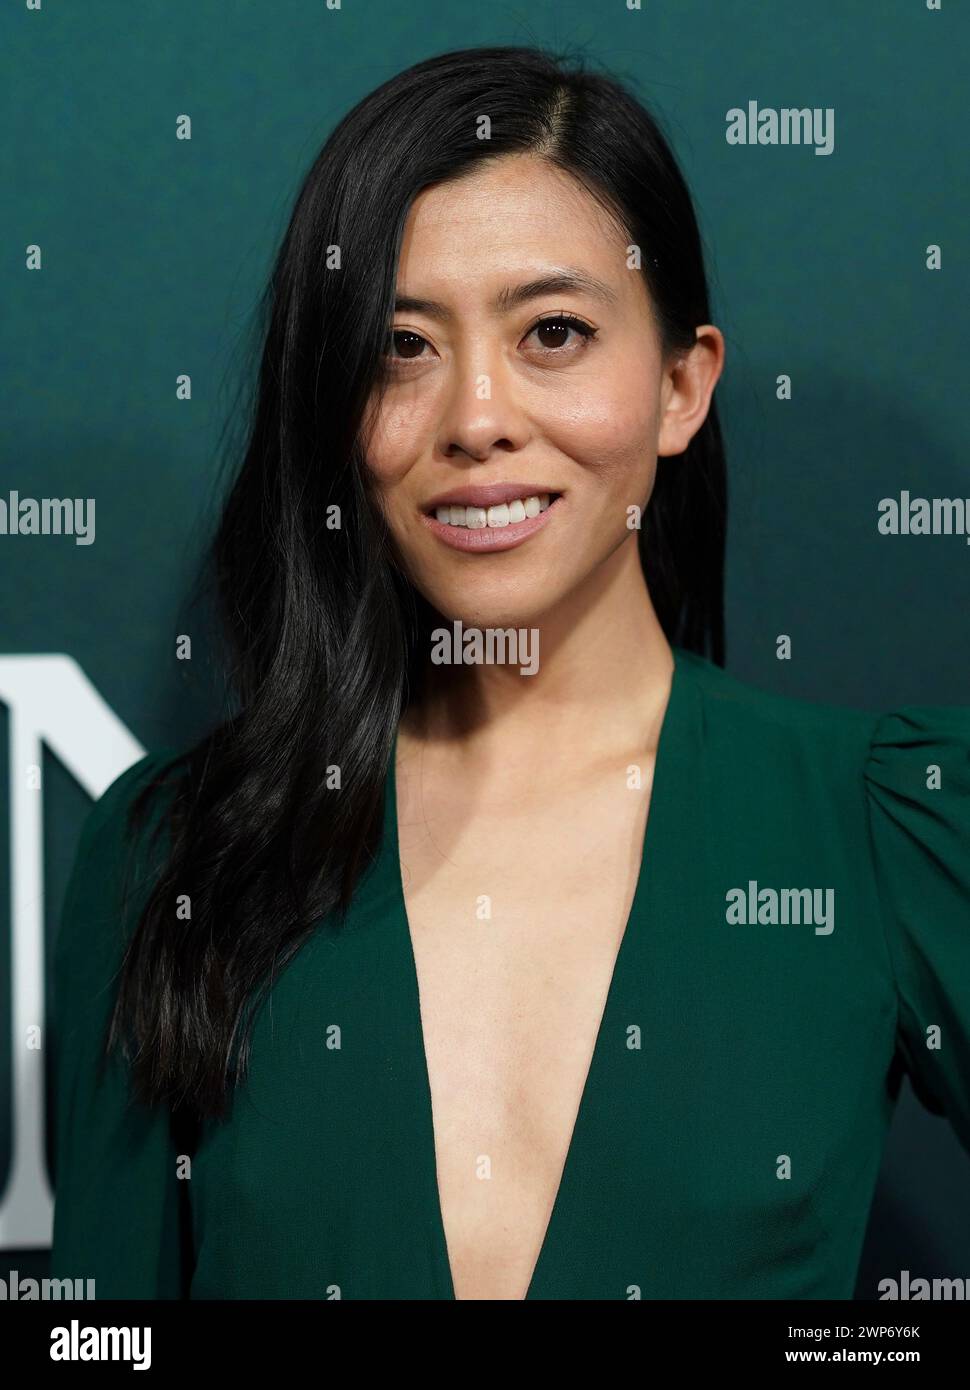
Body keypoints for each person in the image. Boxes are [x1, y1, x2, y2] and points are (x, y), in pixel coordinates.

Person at [50, 45, 970, 1301]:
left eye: (553, 333)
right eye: (399, 348)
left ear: (680, 386)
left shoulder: (877, 830)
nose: (474, 416)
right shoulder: (173, 852)